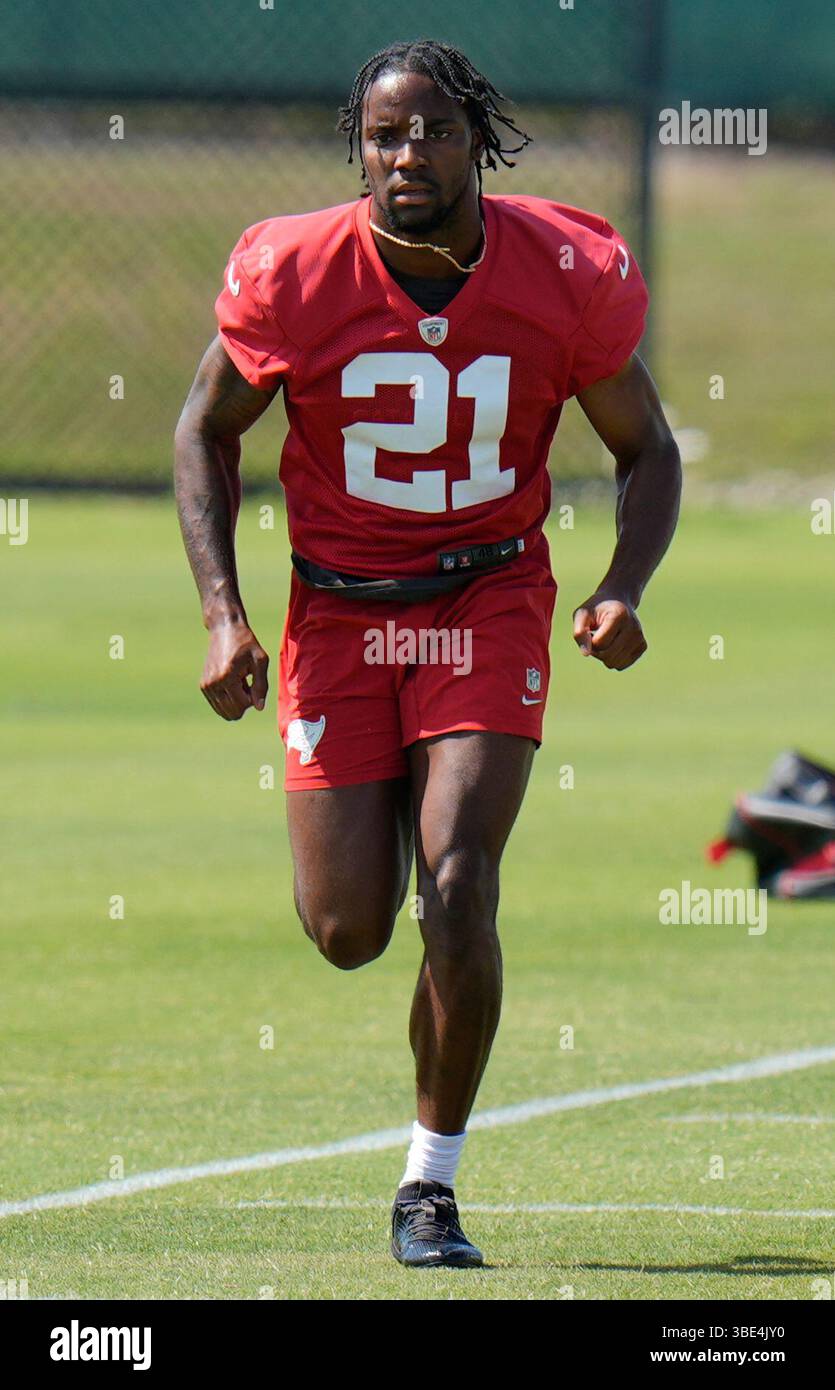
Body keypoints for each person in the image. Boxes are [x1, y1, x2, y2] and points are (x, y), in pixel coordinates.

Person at [174, 39, 681, 1269]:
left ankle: (428, 1185)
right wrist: (222, 614)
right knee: (348, 926)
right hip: (338, 613)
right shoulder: (291, 271)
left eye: (435, 132)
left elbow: (646, 448)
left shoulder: (562, 267)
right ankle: (375, 809)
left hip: (484, 601)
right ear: (358, 143)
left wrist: (620, 585)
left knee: (456, 885)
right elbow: (205, 432)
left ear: (478, 142)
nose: (409, 155)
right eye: (386, 134)